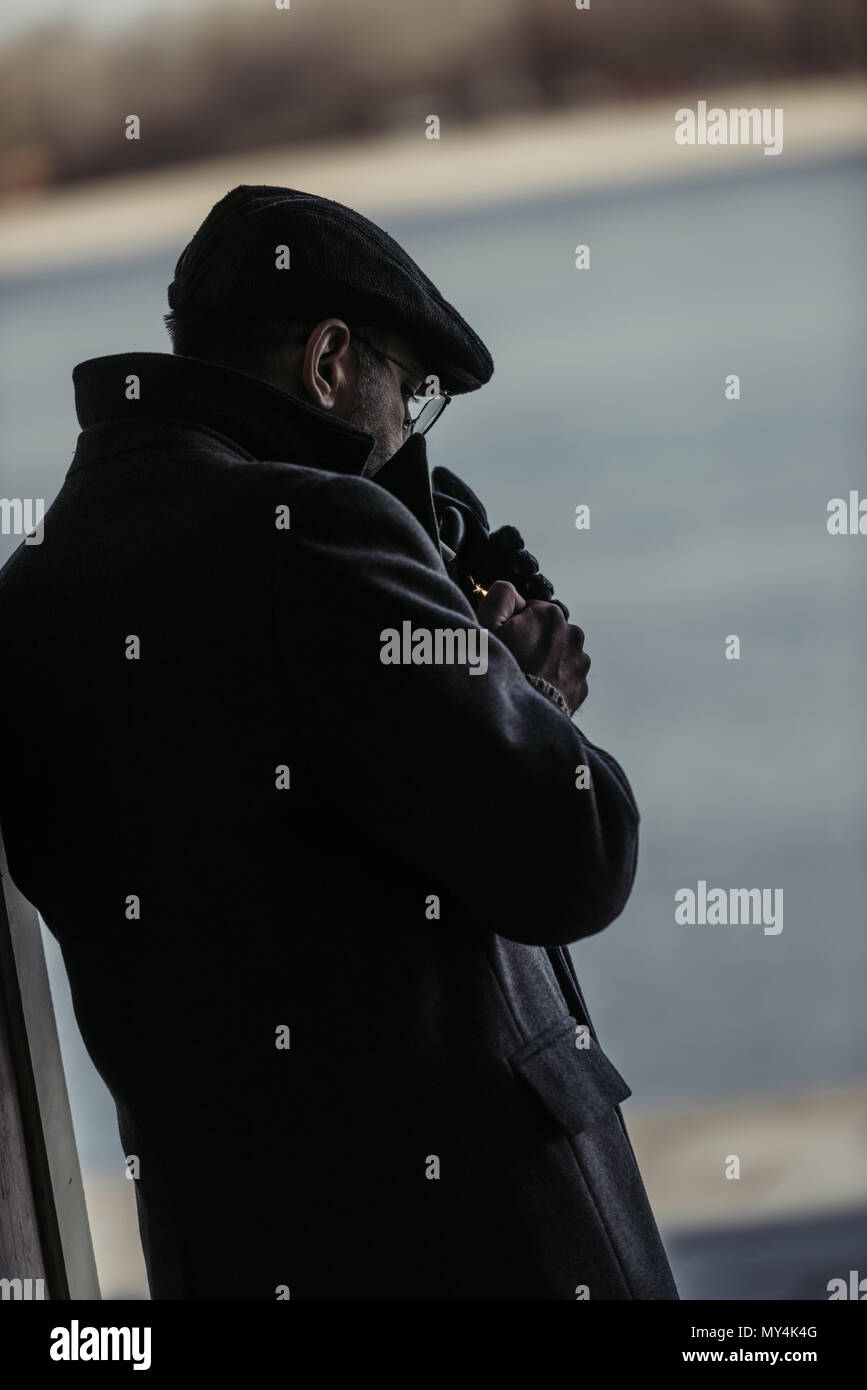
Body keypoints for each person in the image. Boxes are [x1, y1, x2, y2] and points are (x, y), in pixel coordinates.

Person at [0, 185, 678, 1300]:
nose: (407, 428)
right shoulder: (320, 533)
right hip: (479, 1243)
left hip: (234, 1246)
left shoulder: (35, 592)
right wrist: (530, 687)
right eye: (408, 389)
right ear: (327, 362)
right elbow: (575, 856)